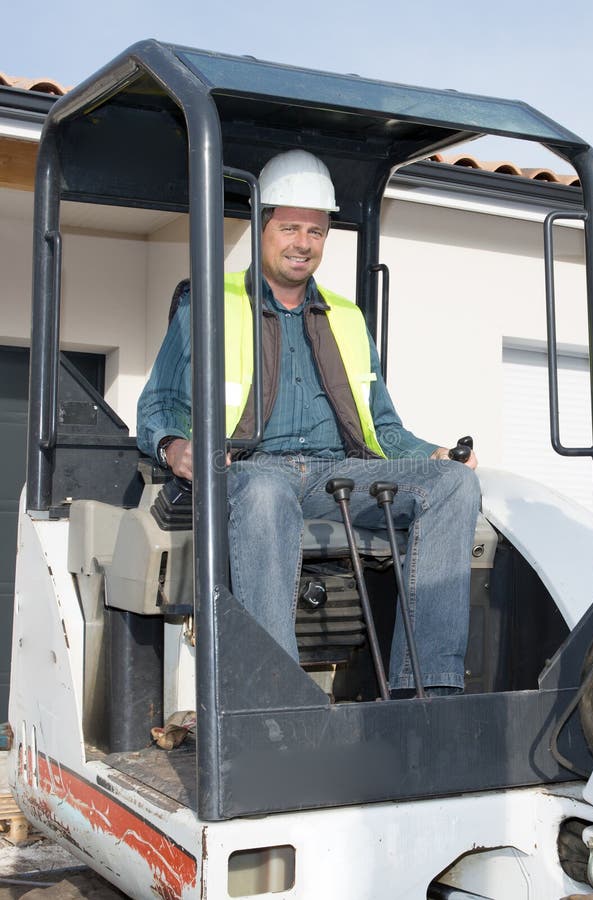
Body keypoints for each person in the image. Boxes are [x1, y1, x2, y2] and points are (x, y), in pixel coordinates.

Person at [137, 149, 480, 696]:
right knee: (267, 494)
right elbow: (159, 405)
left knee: (454, 484)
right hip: (248, 470)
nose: (303, 243)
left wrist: (432, 454)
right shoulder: (209, 304)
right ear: (261, 227)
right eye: (290, 228)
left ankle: (425, 690)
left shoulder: (347, 317)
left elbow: (382, 427)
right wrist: (176, 447)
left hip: (336, 475)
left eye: (315, 231)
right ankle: (278, 696)